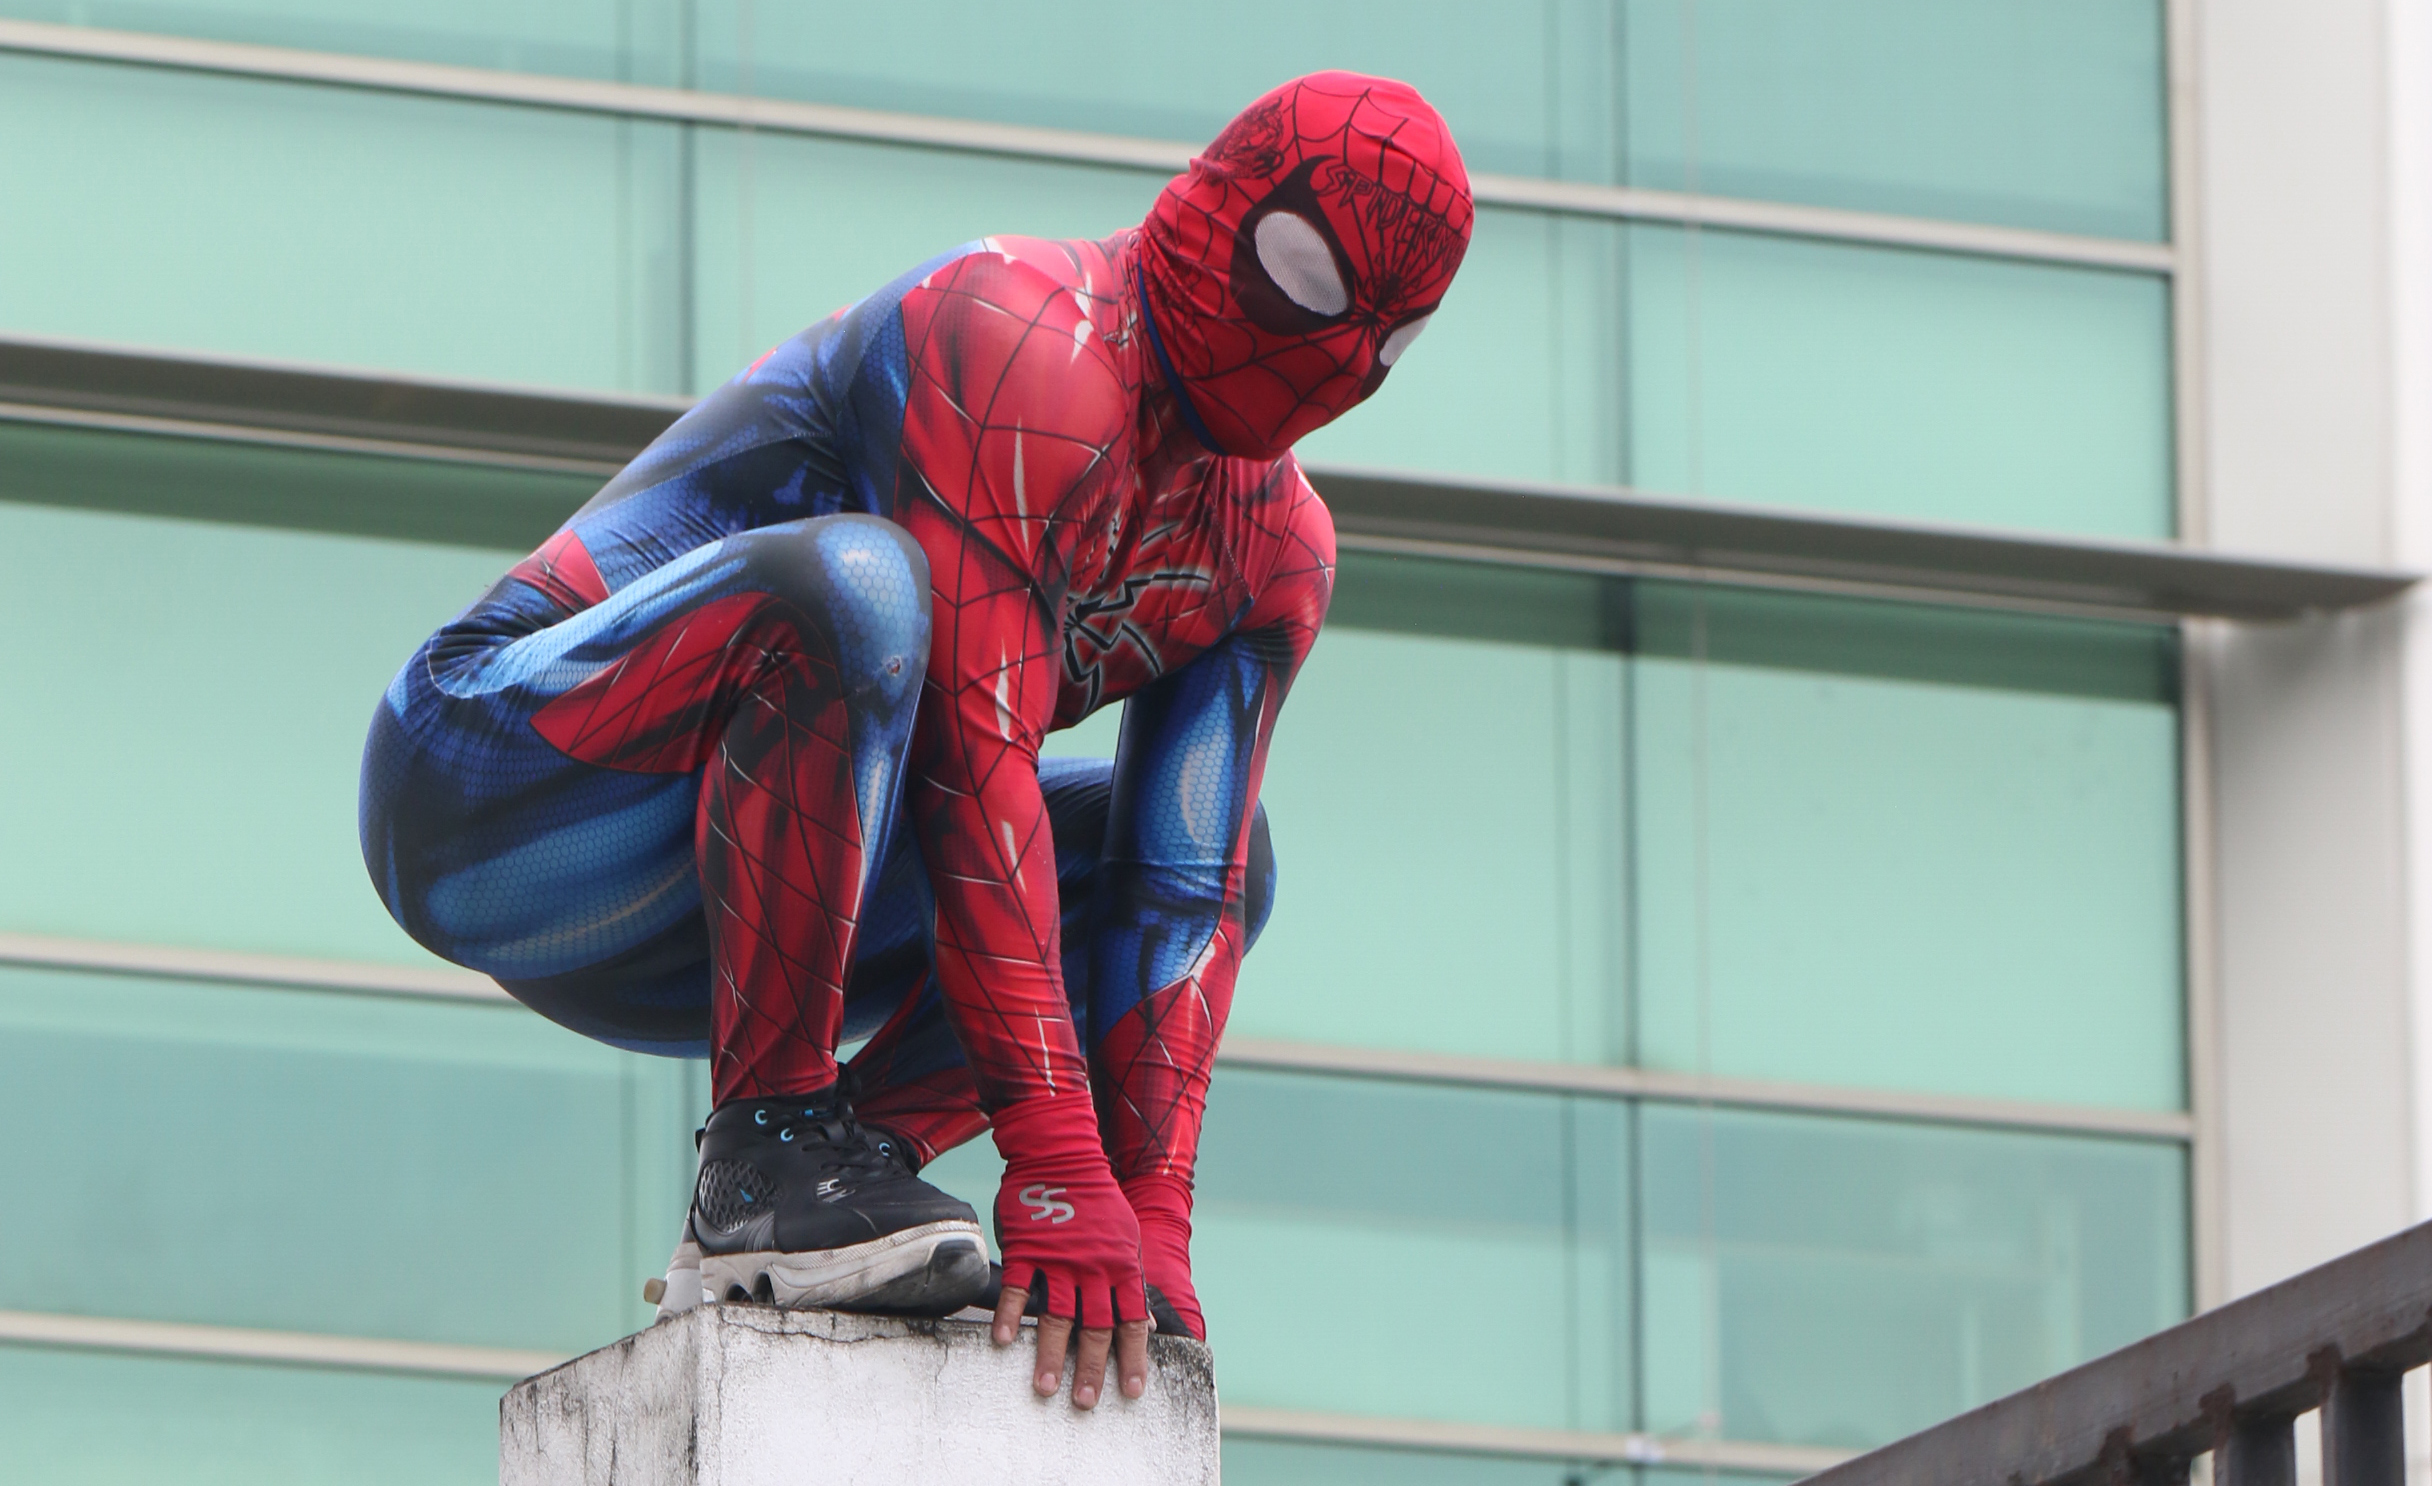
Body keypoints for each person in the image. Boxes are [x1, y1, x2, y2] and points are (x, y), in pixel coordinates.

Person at [359, 70, 1471, 1410]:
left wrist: (1150, 1219)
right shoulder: (1024, 333)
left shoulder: (1272, 550)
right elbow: (968, 763)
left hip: (743, 905)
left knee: (1217, 858)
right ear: (1230, 208)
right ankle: (765, 1146)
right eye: (1309, 282)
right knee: (862, 590)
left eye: (1389, 339)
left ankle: (838, 1158)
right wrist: (1055, 1156)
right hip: (492, 788)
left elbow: (1185, 890)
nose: (1341, 360)